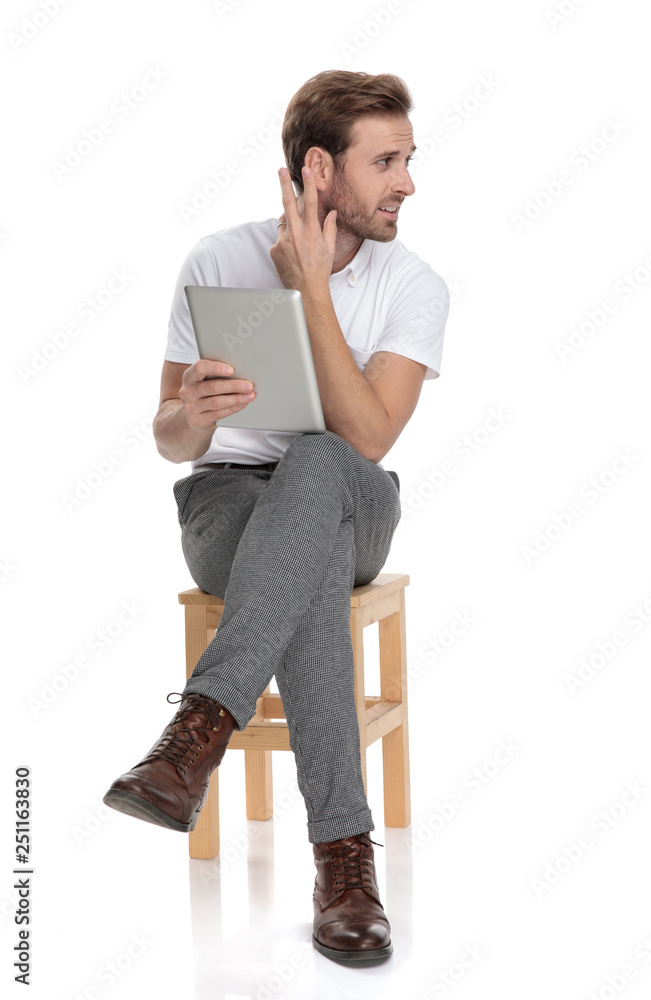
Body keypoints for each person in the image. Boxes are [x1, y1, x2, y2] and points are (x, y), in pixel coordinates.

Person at [103, 69, 449, 964]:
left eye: (407, 159)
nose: (408, 182)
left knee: (320, 459)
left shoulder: (413, 285)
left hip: (354, 499)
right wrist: (193, 415)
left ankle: (194, 734)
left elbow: (367, 436)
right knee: (304, 563)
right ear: (320, 169)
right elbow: (168, 440)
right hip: (227, 504)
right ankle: (345, 865)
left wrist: (313, 292)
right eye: (386, 162)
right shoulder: (216, 261)